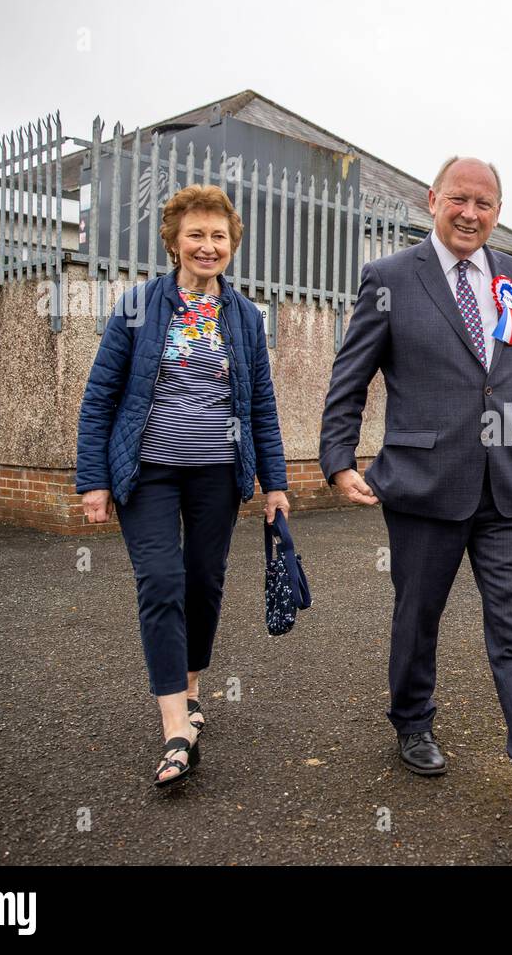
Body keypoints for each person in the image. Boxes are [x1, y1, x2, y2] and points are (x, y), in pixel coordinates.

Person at [319, 157, 512, 816]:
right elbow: (350, 379)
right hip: (424, 485)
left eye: (485, 203)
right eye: (459, 200)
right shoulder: (389, 279)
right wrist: (338, 460)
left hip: (509, 488)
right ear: (432, 200)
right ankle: (412, 720)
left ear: (498, 211)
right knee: (418, 616)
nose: (471, 213)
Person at [75, 185, 290, 787]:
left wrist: (274, 484)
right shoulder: (139, 305)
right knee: (161, 581)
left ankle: (192, 684)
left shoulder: (245, 316)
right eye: (195, 234)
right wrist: (93, 480)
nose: (207, 245)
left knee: (203, 581)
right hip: (147, 472)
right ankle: (176, 726)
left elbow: (261, 407)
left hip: (218, 473)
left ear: (232, 245)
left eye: (218, 236)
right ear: (173, 242)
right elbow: (100, 398)